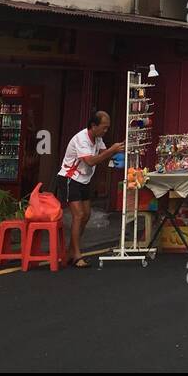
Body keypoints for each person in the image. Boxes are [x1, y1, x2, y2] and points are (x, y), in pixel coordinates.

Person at [57, 111, 124, 268]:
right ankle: (77, 255)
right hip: (70, 178)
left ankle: (71, 251)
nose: (105, 131)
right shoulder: (82, 139)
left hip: (84, 179)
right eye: (104, 128)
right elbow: (91, 161)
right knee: (78, 215)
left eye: (107, 128)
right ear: (93, 126)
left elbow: (103, 154)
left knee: (86, 215)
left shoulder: (98, 138)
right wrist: (112, 150)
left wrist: (120, 149)